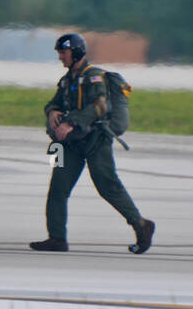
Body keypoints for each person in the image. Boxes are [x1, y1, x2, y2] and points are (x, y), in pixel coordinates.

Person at [34, 32, 155, 254]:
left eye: (64, 52)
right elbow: (54, 102)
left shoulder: (94, 77)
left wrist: (70, 122)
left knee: (107, 186)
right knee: (58, 189)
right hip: (72, 144)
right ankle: (57, 238)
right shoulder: (67, 80)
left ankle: (141, 224)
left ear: (76, 52)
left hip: (95, 140)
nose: (61, 57)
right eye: (60, 53)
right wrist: (52, 112)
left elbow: (100, 106)